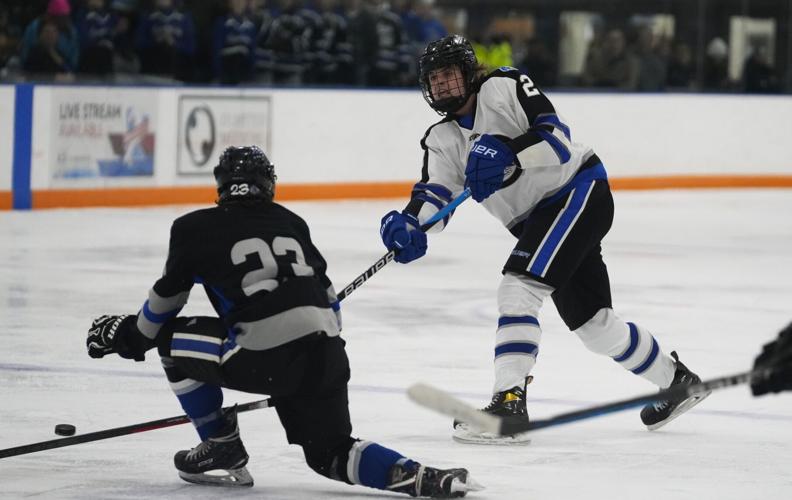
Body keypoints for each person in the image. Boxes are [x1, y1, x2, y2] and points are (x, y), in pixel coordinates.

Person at [84, 146, 480, 497]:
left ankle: (220, 441)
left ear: (222, 187)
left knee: (170, 340)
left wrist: (129, 338)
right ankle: (421, 478)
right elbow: (332, 310)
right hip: (325, 353)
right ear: (268, 185)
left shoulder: (192, 227)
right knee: (330, 453)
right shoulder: (291, 222)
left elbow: (165, 304)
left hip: (261, 356)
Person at [379, 34, 710, 444]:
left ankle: (509, 405)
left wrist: (509, 152)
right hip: (541, 220)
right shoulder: (440, 140)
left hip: (576, 190)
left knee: (518, 288)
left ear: (467, 73)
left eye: (449, 74)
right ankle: (678, 381)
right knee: (596, 328)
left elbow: (557, 138)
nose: (442, 85)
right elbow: (433, 197)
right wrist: (410, 224)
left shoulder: (505, 86)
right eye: (434, 78)